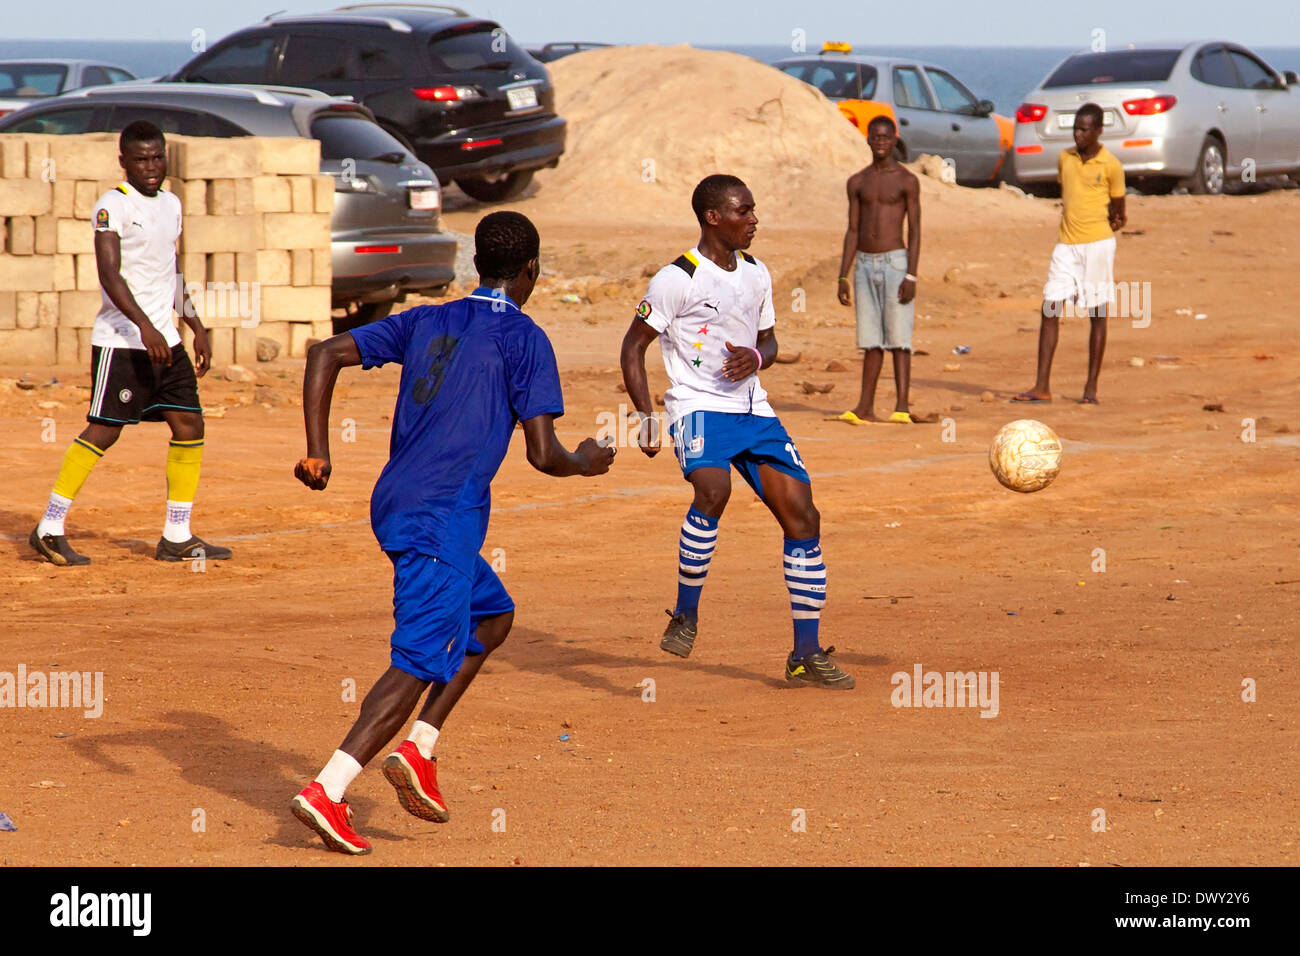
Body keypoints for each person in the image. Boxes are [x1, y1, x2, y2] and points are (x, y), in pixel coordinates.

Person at [290, 211, 615, 855]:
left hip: (401, 500)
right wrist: (586, 459)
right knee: (416, 661)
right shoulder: (526, 339)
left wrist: (318, 450)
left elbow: (325, 352)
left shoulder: (426, 319)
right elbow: (544, 455)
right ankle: (329, 787)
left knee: (491, 619)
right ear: (532, 270)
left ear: (475, 264)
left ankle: (419, 747)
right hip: (442, 515)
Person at [620, 174, 854, 689]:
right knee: (713, 489)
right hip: (697, 407)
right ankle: (685, 614)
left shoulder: (756, 273)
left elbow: (769, 343)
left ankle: (805, 653)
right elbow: (632, 346)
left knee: (803, 515)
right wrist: (647, 417)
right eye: (743, 211)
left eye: (753, 210)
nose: (753, 220)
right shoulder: (676, 278)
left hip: (753, 410)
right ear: (713, 217)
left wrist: (757, 357)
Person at [30, 120, 230, 566]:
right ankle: (49, 526)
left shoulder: (173, 205)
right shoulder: (111, 207)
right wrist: (144, 326)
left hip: (168, 343)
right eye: (141, 159)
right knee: (105, 430)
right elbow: (109, 274)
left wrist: (195, 325)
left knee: (190, 427)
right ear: (123, 162)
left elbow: (170, 269)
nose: (151, 167)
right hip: (123, 342)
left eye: (157, 157)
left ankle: (176, 535)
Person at [1012, 102, 1126, 405]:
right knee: (1049, 308)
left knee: (1097, 314)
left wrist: (1114, 222)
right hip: (1065, 245)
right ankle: (1042, 386)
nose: (1078, 134)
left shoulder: (1111, 165)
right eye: (1075, 128)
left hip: (1098, 246)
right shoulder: (1065, 159)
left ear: (1098, 131)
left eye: (1084, 129)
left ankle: (1091, 388)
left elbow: (1119, 211)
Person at [834, 115, 930, 425]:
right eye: (875, 136)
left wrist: (911, 274)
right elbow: (851, 230)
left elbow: (915, 230)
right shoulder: (857, 181)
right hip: (864, 264)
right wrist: (843, 274)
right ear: (868, 139)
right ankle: (865, 407)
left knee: (899, 338)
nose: (880, 142)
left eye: (886, 137)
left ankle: (901, 407)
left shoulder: (907, 180)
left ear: (894, 139)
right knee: (870, 339)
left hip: (895, 263)